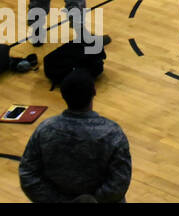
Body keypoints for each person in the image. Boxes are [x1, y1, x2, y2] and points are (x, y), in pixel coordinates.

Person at [18, 69, 131, 203]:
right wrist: (93, 200)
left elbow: (27, 174)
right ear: (94, 91)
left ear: (63, 95)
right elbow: (120, 180)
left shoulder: (45, 130)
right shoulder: (112, 133)